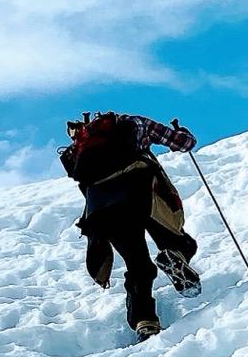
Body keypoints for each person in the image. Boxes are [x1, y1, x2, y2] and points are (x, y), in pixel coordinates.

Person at [60, 112, 202, 339]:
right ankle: (174, 256)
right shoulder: (134, 123)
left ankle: (145, 322)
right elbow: (183, 143)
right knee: (178, 241)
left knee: (138, 266)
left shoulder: (83, 143)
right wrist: (183, 134)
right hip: (139, 194)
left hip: (101, 208)